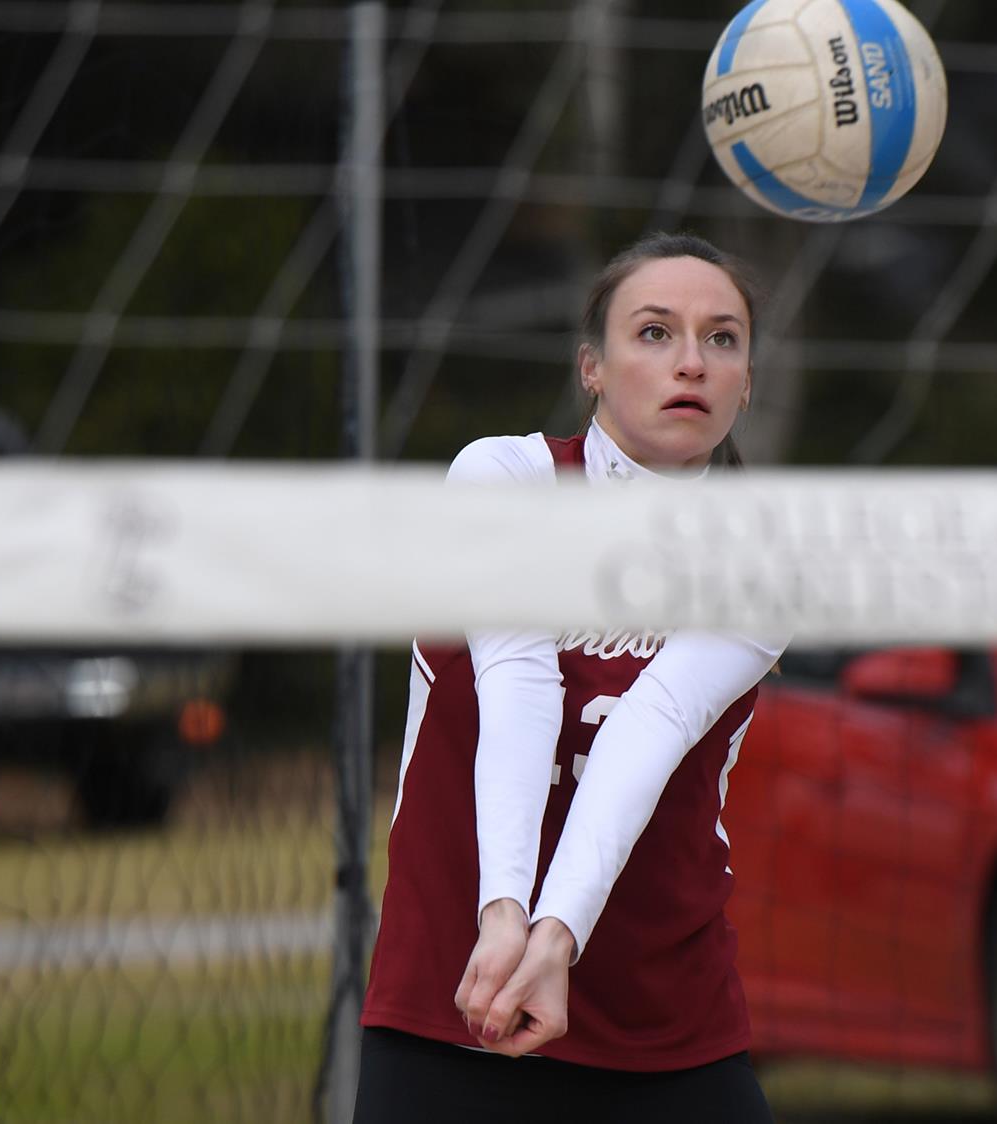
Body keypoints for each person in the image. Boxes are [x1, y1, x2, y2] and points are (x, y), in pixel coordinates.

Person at [354, 232, 786, 1122]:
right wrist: (506, 919)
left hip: (663, 1016)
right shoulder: (503, 476)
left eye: (723, 339)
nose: (693, 363)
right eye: (657, 333)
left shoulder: (763, 555)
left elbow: (648, 725)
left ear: (747, 381)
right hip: (458, 992)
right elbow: (518, 683)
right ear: (592, 366)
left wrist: (556, 938)